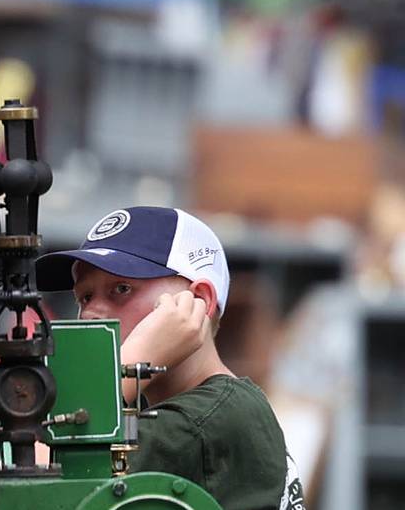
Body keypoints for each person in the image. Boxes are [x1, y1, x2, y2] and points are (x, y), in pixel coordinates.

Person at [34, 206, 306, 510]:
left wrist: (133, 361)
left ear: (199, 301)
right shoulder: (206, 405)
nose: (91, 314)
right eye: (85, 297)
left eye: (122, 288)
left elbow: (36, 480)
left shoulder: (207, 418)